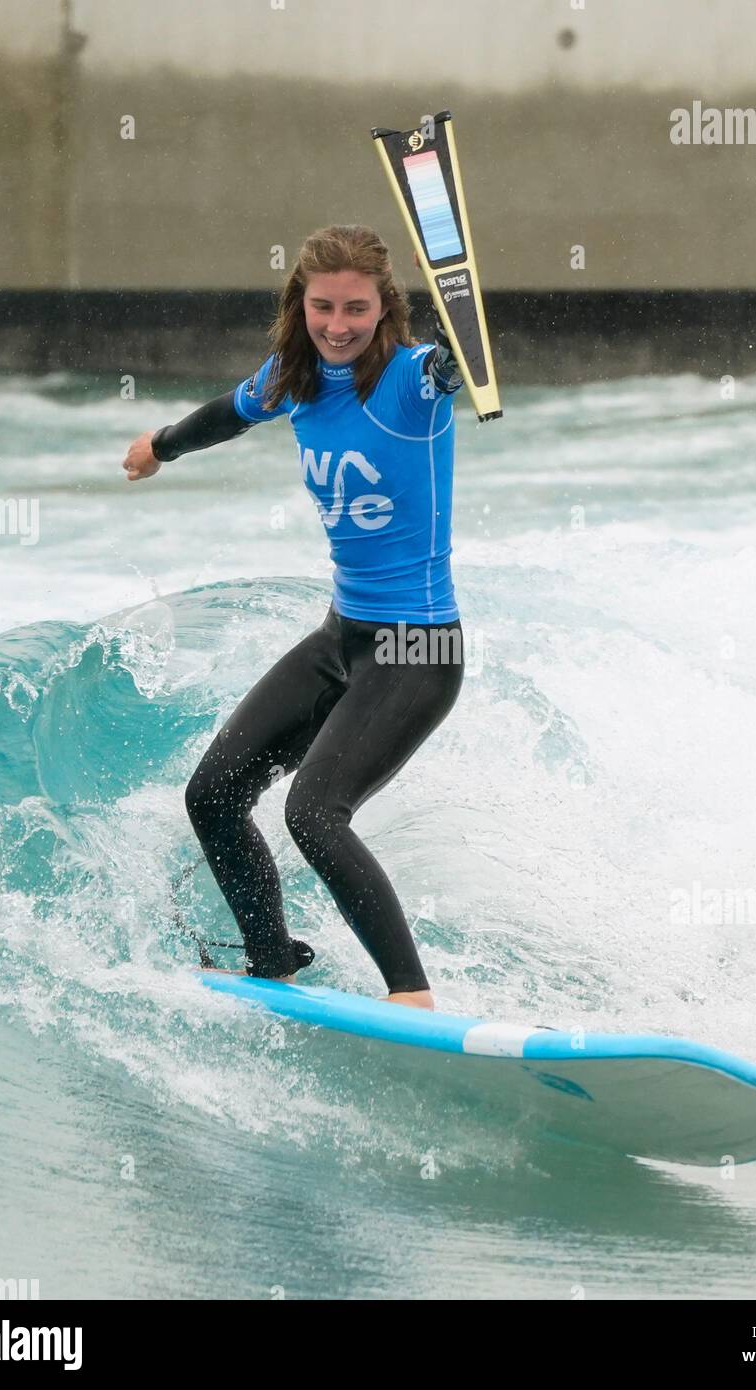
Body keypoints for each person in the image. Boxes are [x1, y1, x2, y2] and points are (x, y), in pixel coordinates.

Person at [122, 225, 466, 1010]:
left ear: (385, 310)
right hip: (341, 639)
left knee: (313, 813)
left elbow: (450, 366)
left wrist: (461, 352)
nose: (338, 324)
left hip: (418, 650)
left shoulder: (412, 379)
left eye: (356, 308)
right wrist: (160, 447)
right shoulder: (295, 377)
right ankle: (272, 956)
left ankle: (411, 994)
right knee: (212, 795)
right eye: (323, 307)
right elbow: (229, 414)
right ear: (299, 304)